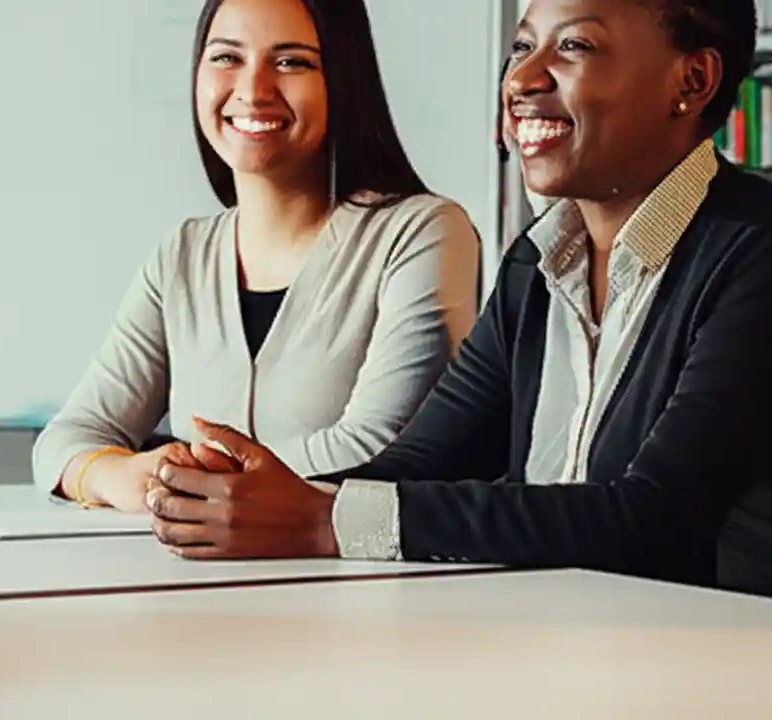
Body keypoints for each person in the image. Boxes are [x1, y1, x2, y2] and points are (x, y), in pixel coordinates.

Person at [147, 0, 772, 598]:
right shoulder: (537, 263)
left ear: (691, 81)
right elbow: (421, 463)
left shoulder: (755, 252)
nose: (522, 78)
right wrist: (256, 498)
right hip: (566, 653)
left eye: (575, 46)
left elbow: (655, 518)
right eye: (521, 46)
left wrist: (322, 520)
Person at [32, 0, 480, 512]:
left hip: (355, 583)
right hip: (193, 581)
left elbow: (379, 445)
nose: (252, 90)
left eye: (291, 62)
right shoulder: (182, 255)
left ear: (343, 79)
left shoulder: (421, 232)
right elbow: (65, 440)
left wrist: (195, 481)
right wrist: (121, 475)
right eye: (226, 58)